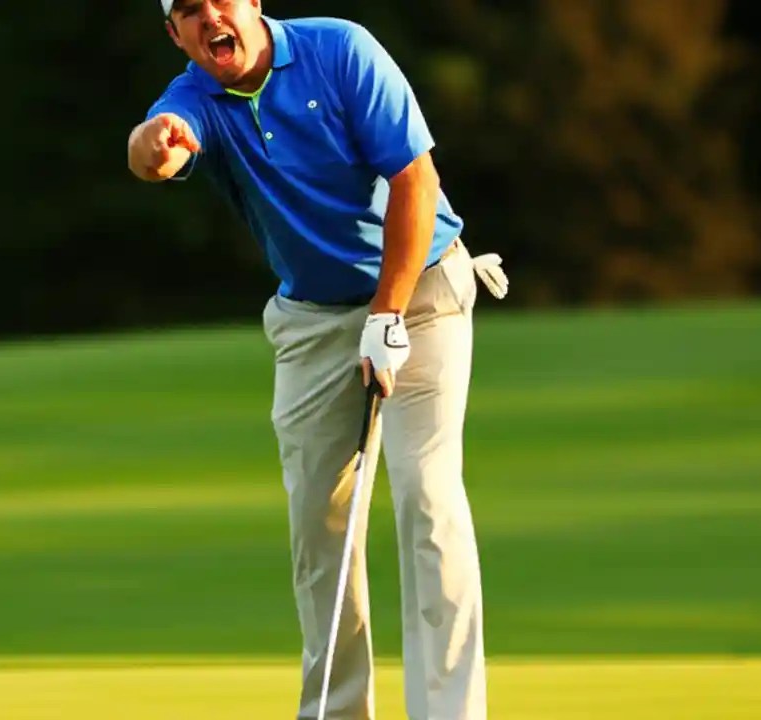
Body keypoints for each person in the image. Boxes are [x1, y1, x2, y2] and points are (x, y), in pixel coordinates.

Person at [127, 2, 508, 718]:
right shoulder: (194, 96)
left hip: (422, 291)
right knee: (319, 527)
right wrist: (155, 146)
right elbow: (156, 151)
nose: (209, 15)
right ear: (174, 34)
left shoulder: (342, 51)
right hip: (311, 321)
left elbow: (415, 182)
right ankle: (335, 711)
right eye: (186, 10)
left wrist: (388, 315)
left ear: (253, 3)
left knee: (428, 502)